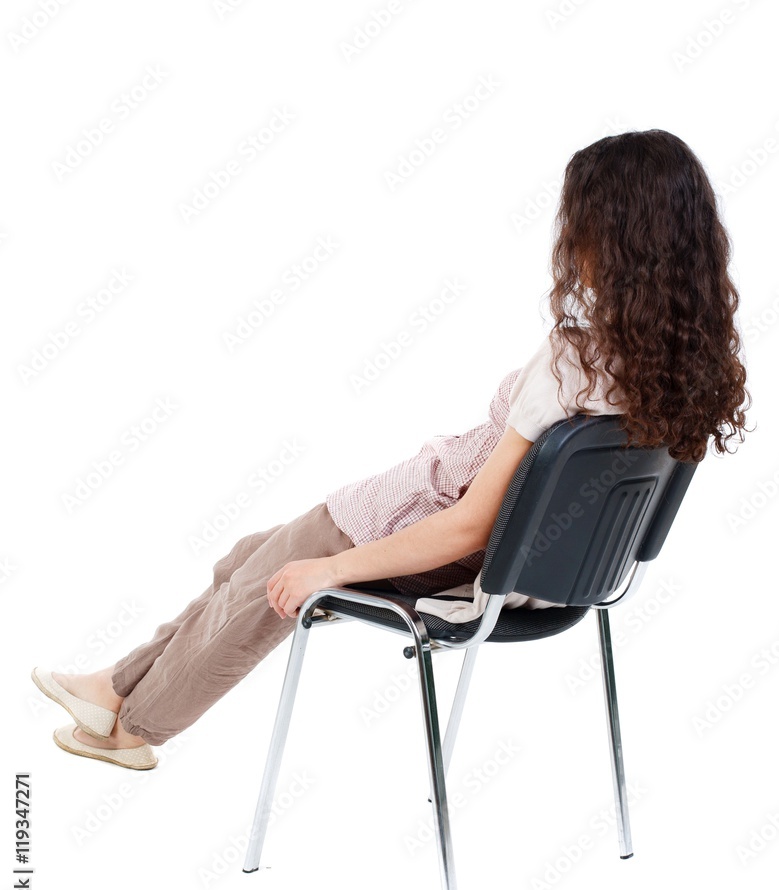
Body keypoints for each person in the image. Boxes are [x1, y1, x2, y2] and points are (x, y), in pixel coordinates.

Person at [32, 128, 751, 770]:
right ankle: (115, 687)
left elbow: (470, 522)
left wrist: (332, 569)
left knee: (267, 581)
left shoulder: (572, 359)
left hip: (433, 529)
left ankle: (133, 728)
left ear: (605, 235)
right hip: (551, 573)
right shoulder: (691, 364)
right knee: (247, 557)